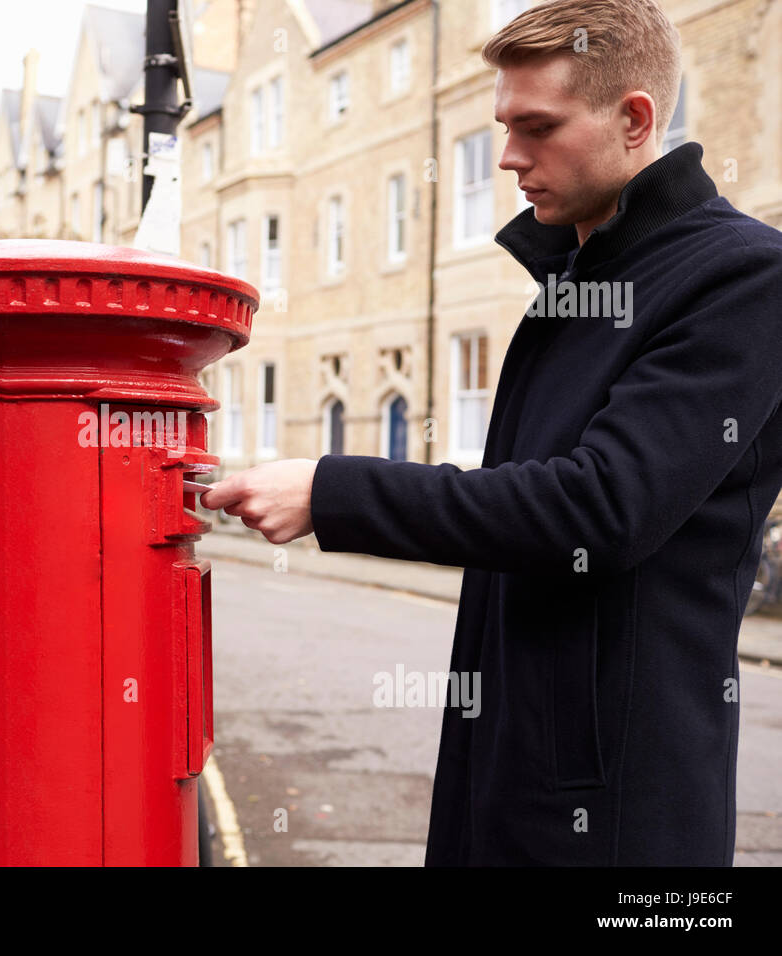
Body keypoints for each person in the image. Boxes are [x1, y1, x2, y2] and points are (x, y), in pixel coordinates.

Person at [200, 0, 782, 865]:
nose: (508, 157)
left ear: (635, 119)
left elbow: (600, 507)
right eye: (505, 125)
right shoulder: (575, 284)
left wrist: (331, 490)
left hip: (621, 809)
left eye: (537, 127)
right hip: (502, 771)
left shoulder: (744, 278)